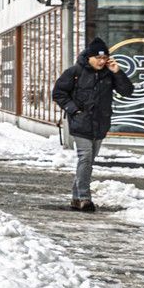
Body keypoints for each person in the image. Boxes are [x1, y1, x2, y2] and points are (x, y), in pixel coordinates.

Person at [52, 37, 134, 213]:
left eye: (105, 58)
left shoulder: (109, 74)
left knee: (88, 162)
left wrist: (117, 72)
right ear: (89, 57)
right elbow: (58, 93)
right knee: (86, 158)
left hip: (100, 125)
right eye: (98, 58)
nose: (102, 61)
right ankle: (84, 198)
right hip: (80, 124)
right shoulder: (75, 71)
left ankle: (76, 198)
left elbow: (127, 91)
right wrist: (74, 110)